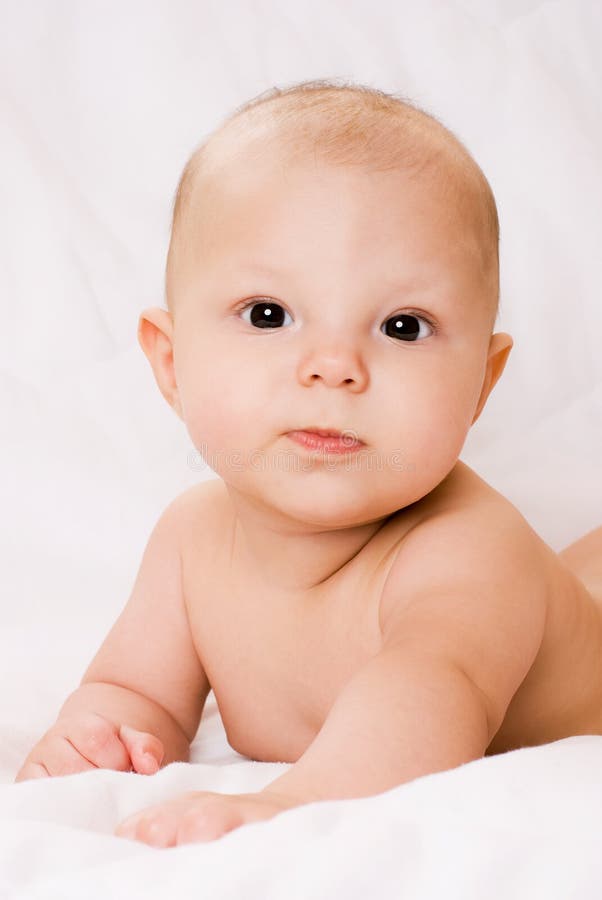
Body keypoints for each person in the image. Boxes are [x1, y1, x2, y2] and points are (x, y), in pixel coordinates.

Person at [14, 79, 602, 849]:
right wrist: (102, 735)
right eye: (269, 315)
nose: (333, 366)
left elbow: (430, 699)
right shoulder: (192, 541)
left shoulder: (468, 553)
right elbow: (136, 692)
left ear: (481, 386)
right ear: (171, 362)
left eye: (402, 326)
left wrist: (298, 803)